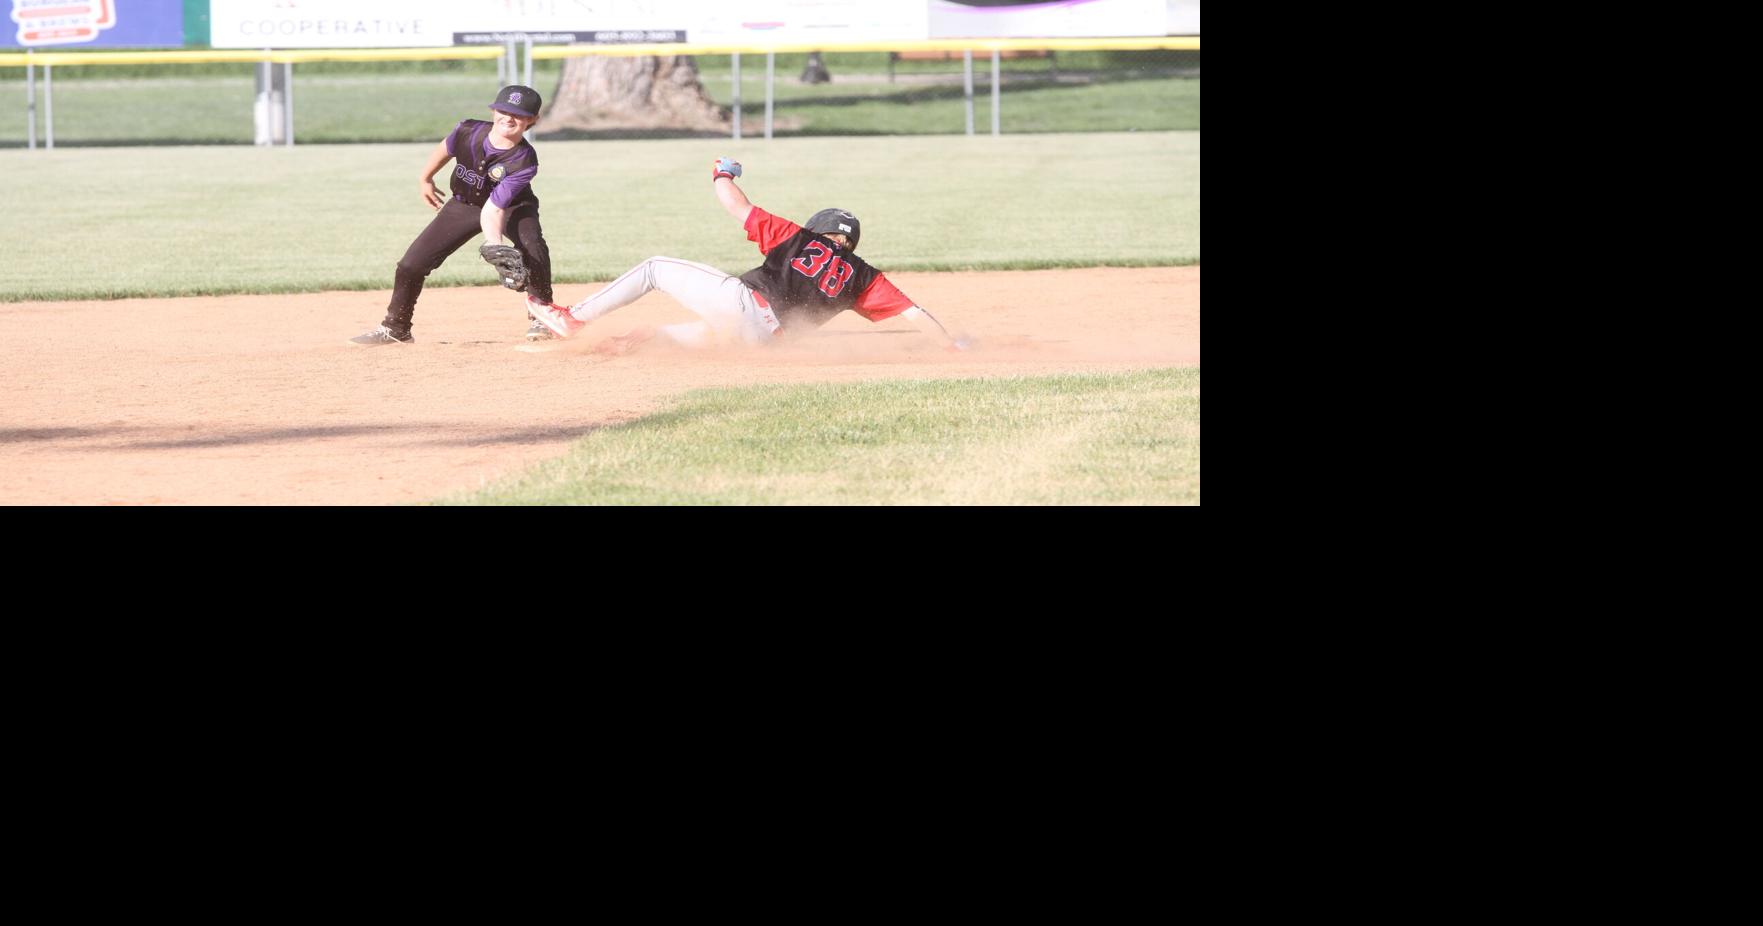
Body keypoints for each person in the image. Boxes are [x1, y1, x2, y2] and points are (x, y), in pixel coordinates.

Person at [524, 158, 968, 353]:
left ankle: (574, 318)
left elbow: (734, 203)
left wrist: (723, 171)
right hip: (766, 344)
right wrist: (949, 346)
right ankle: (624, 346)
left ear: (821, 230)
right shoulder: (864, 277)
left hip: (744, 306)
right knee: (668, 336)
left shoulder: (799, 238)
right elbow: (914, 313)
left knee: (656, 267)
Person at [350, 85, 560, 346]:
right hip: (464, 203)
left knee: (532, 248)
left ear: (532, 120)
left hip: (512, 207)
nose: (508, 117)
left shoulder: (524, 161)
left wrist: (494, 245)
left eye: (518, 114)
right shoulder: (468, 130)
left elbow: (494, 208)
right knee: (411, 264)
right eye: (503, 110)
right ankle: (396, 328)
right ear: (494, 111)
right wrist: (425, 178)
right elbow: (446, 148)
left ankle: (543, 317)